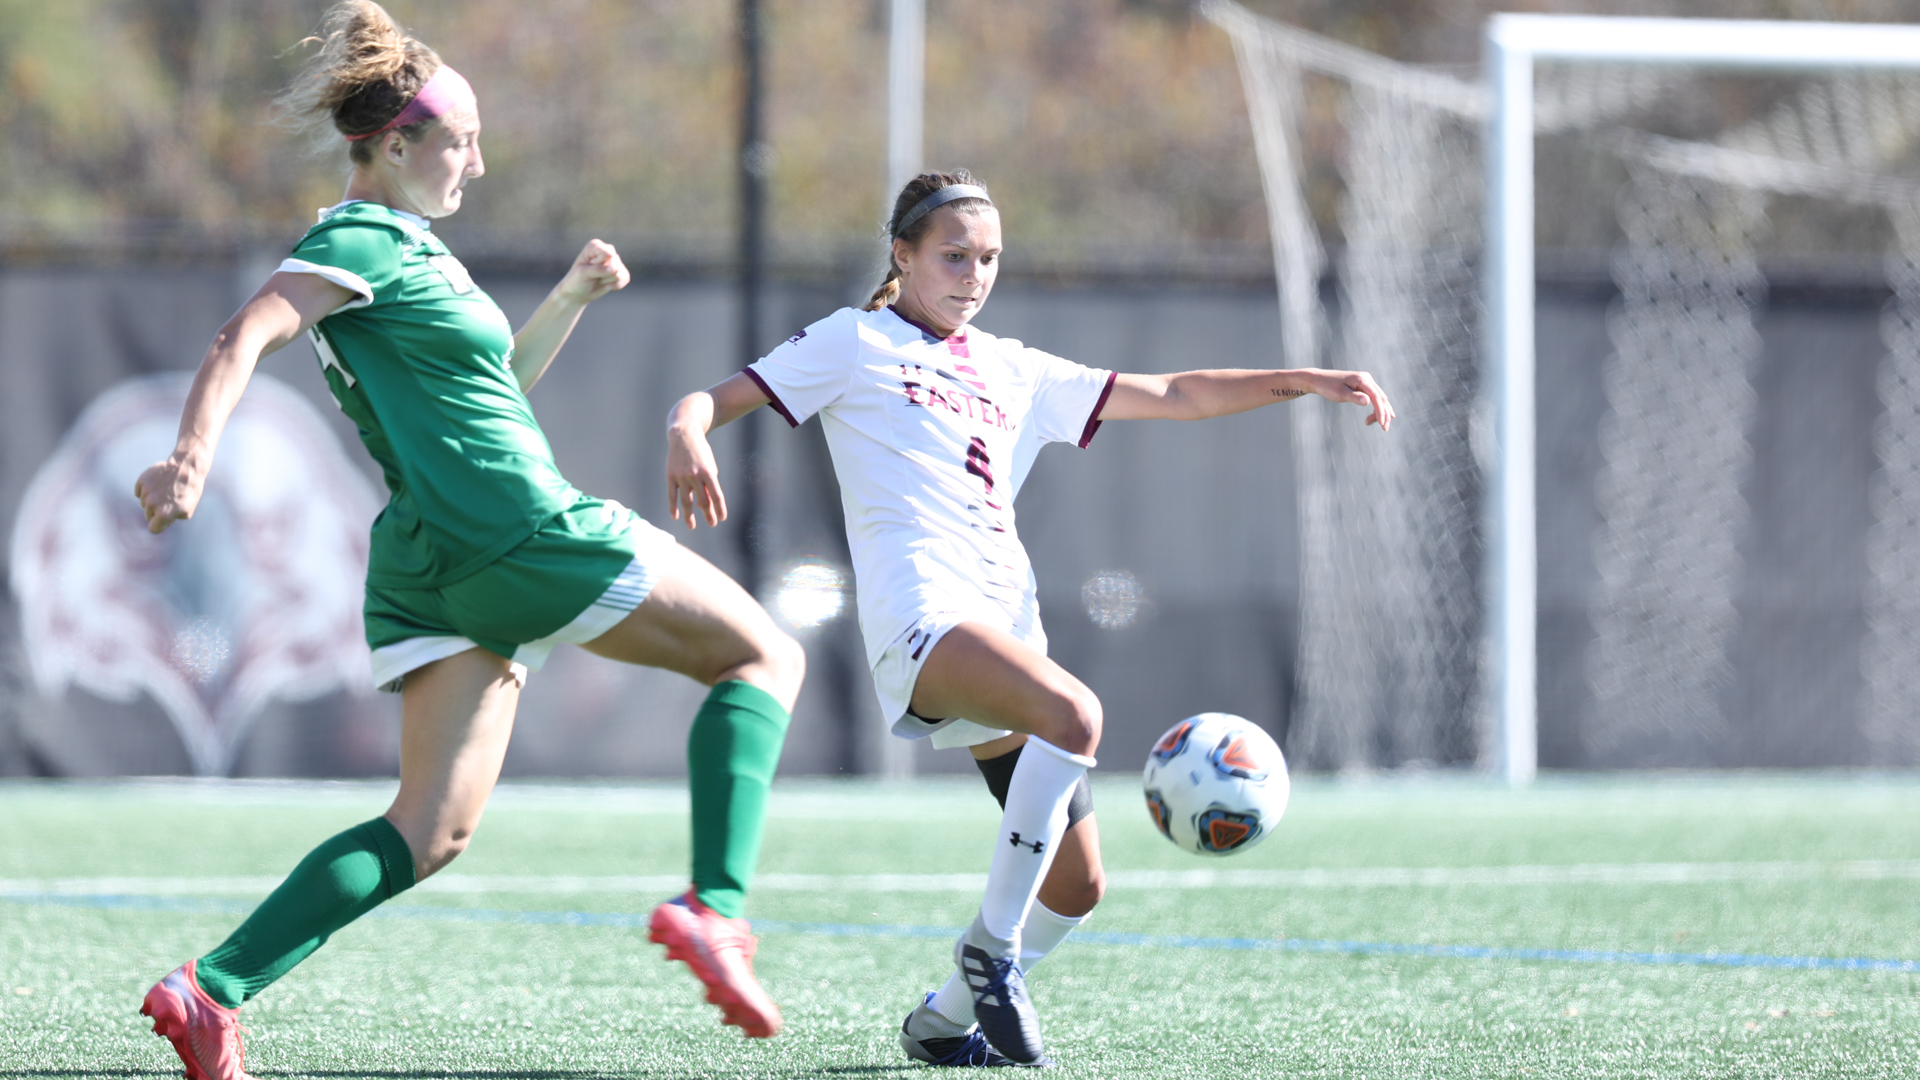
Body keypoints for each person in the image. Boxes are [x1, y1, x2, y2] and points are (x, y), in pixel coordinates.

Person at [132, 5, 803, 1077]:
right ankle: (715, 908)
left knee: (429, 830)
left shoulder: (405, 251)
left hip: (428, 566)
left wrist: (572, 297)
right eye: (463, 140)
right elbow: (243, 330)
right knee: (767, 656)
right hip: (513, 529)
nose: (477, 163)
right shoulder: (355, 238)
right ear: (395, 145)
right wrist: (192, 458)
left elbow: (494, 389)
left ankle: (210, 990)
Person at [664, 169, 1394, 1066]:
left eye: (989, 259)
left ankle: (940, 1021)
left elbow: (1175, 394)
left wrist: (1305, 380)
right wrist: (687, 429)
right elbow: (714, 398)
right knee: (1076, 713)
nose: (973, 275)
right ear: (902, 255)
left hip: (1006, 631)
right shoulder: (853, 343)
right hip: (922, 622)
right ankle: (990, 952)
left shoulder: (1014, 368)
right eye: (953, 255)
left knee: (1080, 887)